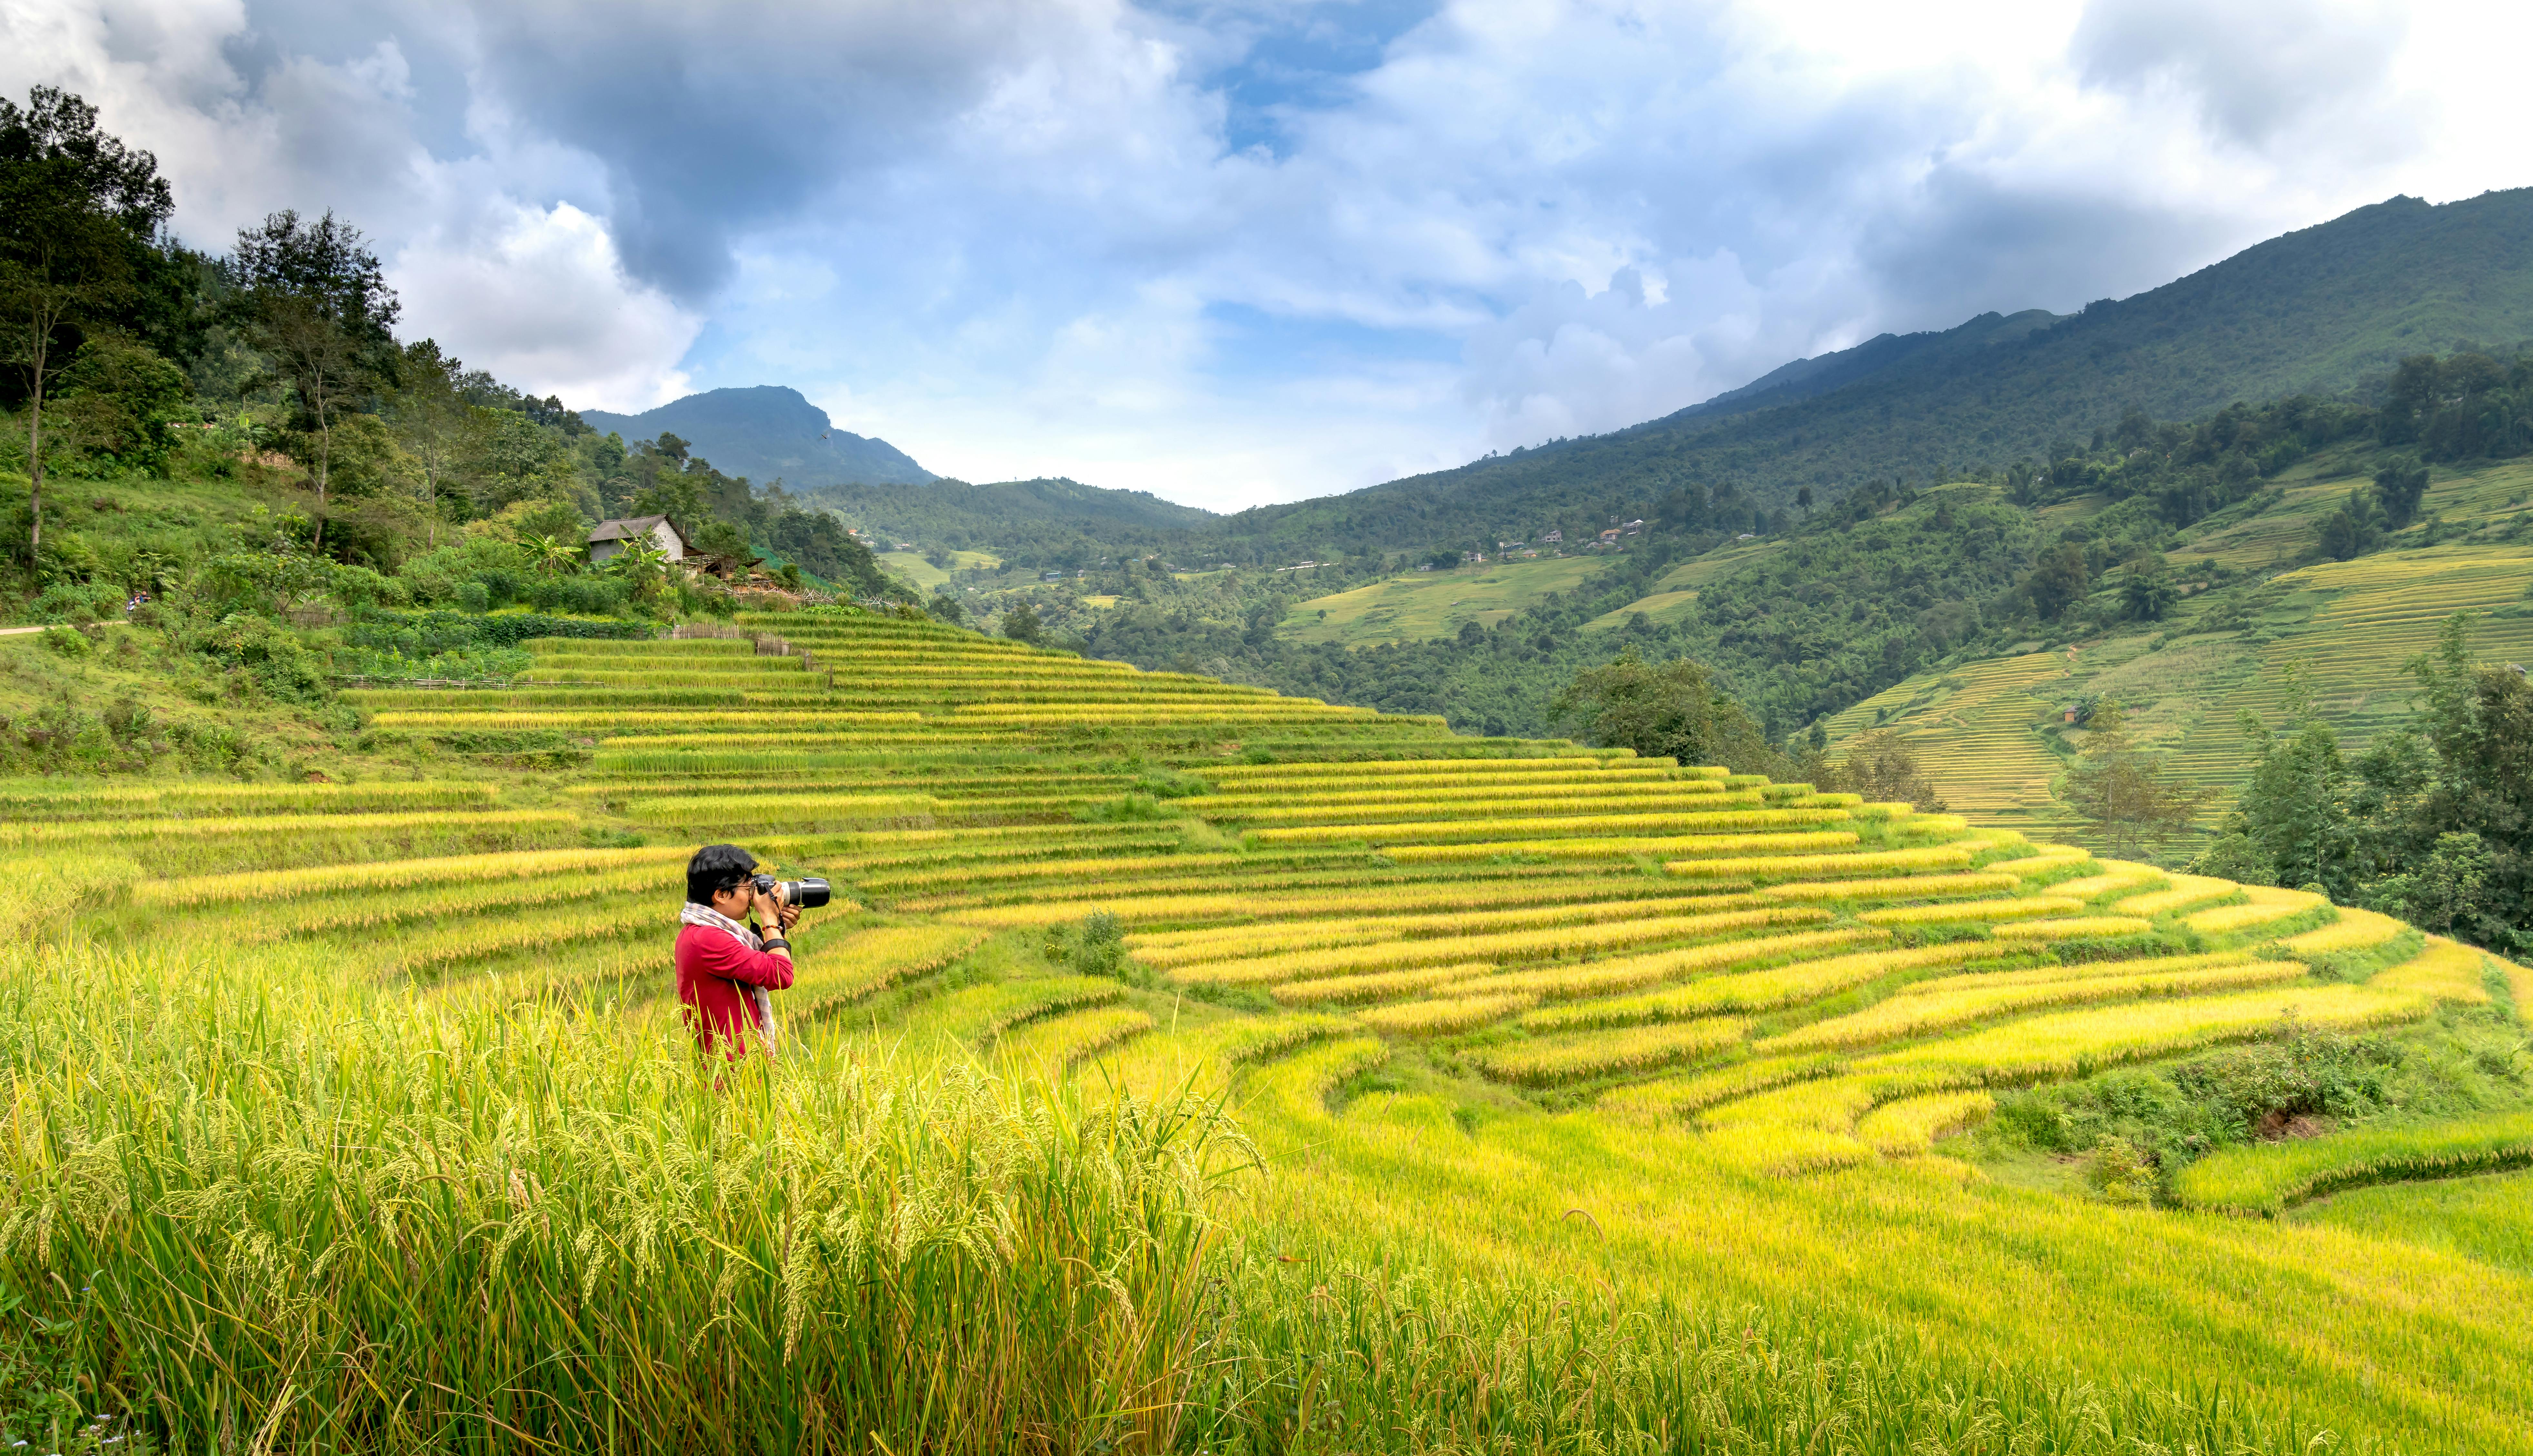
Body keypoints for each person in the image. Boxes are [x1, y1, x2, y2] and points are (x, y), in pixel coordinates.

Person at [676, 843, 800, 1058]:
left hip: (736, 1065)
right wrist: (769, 919)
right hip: (733, 1072)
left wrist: (776, 928)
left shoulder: (700, 932)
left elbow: (755, 966)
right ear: (722, 895)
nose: (754, 896)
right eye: (748, 888)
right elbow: (780, 975)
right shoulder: (708, 939)